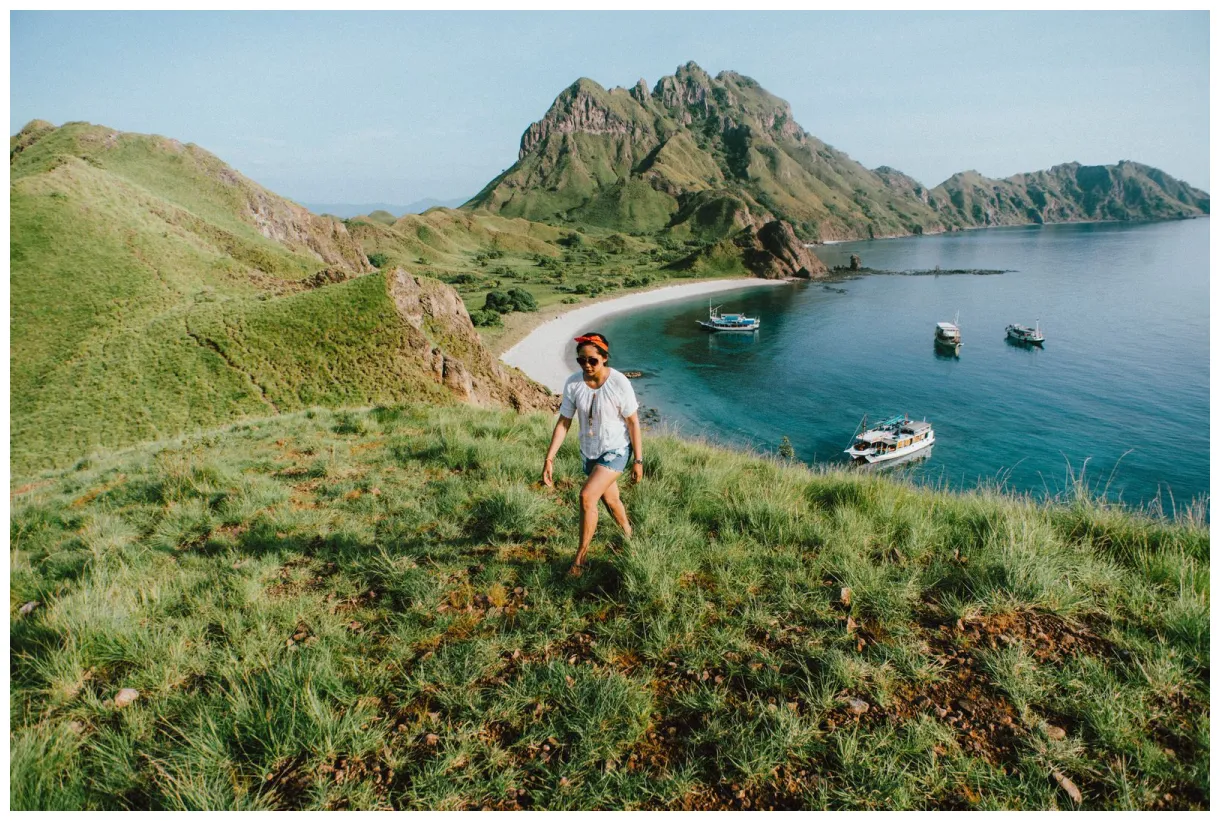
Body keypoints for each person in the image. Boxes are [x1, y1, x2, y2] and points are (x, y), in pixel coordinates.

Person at [541, 332, 643, 576]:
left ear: (604, 358)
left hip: (616, 450)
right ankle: (629, 536)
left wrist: (638, 460)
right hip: (589, 452)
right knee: (611, 500)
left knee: (587, 497)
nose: (586, 365)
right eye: (581, 360)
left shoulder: (619, 383)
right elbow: (564, 422)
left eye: (592, 360)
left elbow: (633, 423)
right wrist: (549, 458)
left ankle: (580, 560)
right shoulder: (573, 384)